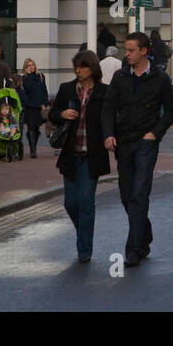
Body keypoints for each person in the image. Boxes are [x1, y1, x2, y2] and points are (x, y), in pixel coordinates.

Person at [101, 31, 173, 267]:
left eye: (132, 50)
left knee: (139, 193)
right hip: (123, 142)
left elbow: (171, 110)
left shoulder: (160, 78)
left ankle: (133, 250)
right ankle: (144, 233)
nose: (127, 54)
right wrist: (109, 134)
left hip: (146, 143)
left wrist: (154, 134)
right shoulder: (120, 76)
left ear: (144, 51)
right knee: (126, 194)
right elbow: (108, 108)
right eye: (126, 50)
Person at [52, 50, 110, 262]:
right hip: (70, 154)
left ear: (92, 68)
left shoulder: (104, 91)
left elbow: (110, 118)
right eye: (75, 66)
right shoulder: (66, 89)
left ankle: (84, 250)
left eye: (82, 67)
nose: (78, 70)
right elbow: (51, 114)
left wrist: (111, 137)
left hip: (92, 156)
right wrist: (61, 114)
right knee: (70, 203)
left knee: (86, 201)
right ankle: (83, 232)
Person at [19, 59, 49, 159]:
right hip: (29, 106)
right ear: (25, 68)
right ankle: (32, 150)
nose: (31, 67)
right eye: (28, 66)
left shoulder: (41, 76)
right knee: (31, 127)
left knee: (36, 129)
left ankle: (34, 146)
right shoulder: (24, 78)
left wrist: (44, 103)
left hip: (39, 106)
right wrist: (29, 75)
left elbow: (44, 90)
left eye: (32, 65)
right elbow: (28, 87)